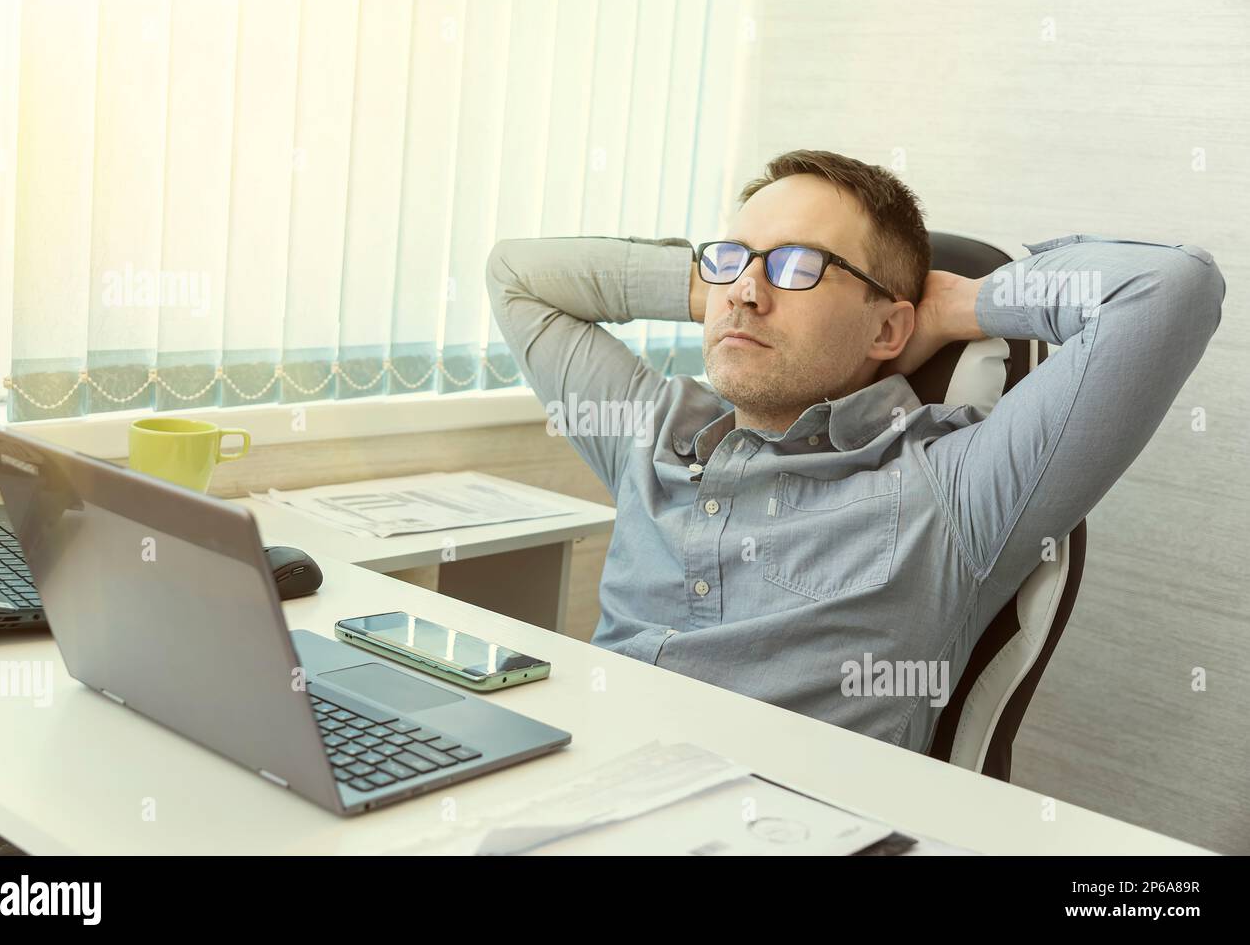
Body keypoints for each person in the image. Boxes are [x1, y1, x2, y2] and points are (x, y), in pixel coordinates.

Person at [484, 149, 1225, 753]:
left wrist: (952, 306)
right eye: (735, 258)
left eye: (799, 265)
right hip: (578, 779)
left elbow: (1171, 289)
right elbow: (515, 276)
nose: (747, 291)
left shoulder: (951, 485)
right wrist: (723, 283)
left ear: (888, 332)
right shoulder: (653, 426)